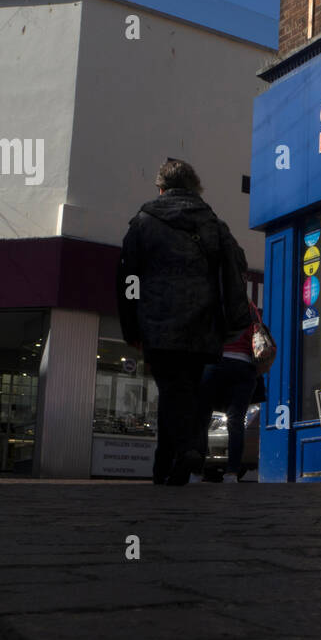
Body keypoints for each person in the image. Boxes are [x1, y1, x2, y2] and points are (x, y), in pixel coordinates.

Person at [116, 158, 249, 486]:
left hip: (158, 324)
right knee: (183, 388)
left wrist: (131, 325)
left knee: (172, 387)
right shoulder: (213, 224)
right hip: (202, 325)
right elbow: (238, 265)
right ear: (194, 188)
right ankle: (170, 460)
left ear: (161, 187)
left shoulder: (144, 222)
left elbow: (128, 277)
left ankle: (184, 449)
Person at [196, 296, 262, 482]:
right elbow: (258, 334)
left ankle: (196, 471)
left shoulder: (215, 302)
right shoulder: (250, 307)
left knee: (202, 418)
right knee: (236, 421)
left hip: (216, 361)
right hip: (243, 366)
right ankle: (232, 473)